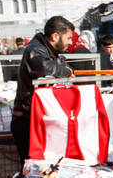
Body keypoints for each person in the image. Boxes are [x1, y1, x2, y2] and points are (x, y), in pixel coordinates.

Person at [12, 16, 74, 162]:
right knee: (32, 169)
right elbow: (45, 68)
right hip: (27, 120)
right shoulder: (36, 50)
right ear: (55, 36)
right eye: (68, 38)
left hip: (36, 118)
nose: (70, 43)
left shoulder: (47, 50)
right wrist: (65, 71)